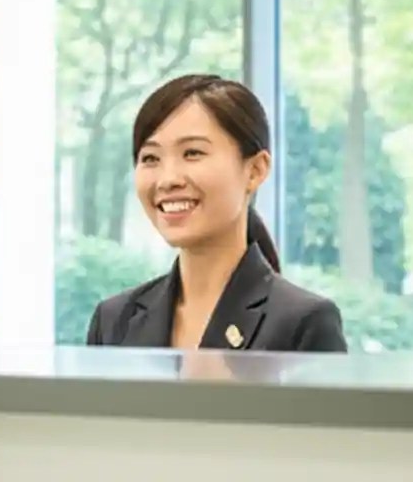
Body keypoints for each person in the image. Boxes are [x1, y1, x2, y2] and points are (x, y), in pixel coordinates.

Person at [85, 74, 347, 352]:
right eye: (150, 158)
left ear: (255, 170)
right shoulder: (114, 321)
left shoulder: (304, 322)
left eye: (192, 153)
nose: (167, 179)